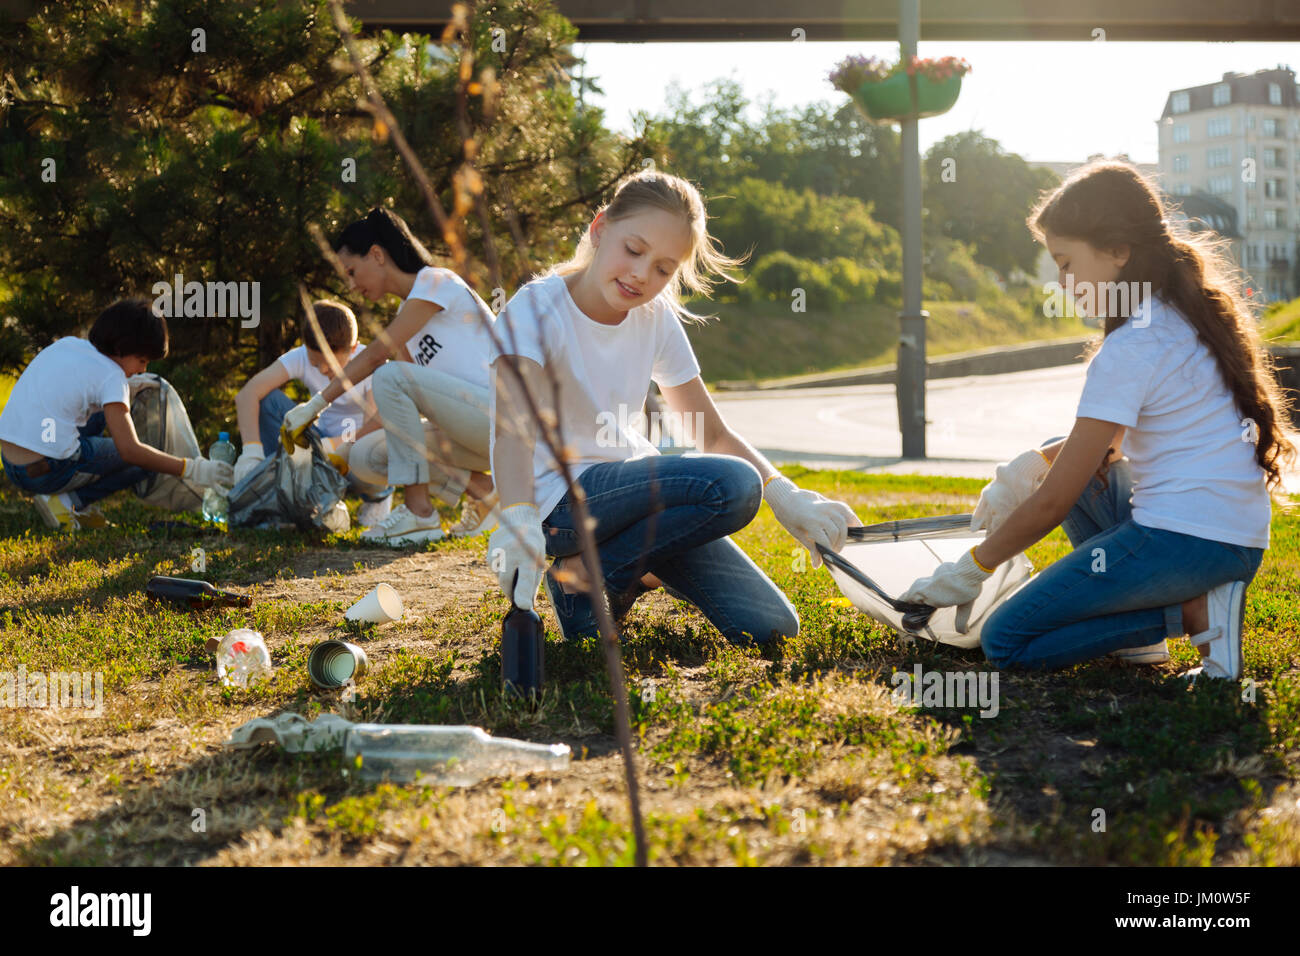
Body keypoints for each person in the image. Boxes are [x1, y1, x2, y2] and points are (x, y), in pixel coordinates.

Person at [900, 161, 1298, 681]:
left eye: (1066, 264)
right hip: (1229, 538)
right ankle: (1144, 641)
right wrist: (1022, 468)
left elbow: (1054, 500)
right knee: (1055, 453)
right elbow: (1095, 452)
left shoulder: (1133, 345)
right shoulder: (1175, 315)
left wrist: (972, 568)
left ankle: (1190, 612)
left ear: (1118, 251)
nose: (1063, 282)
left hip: (1187, 543)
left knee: (1007, 640)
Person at [486, 169, 861, 645]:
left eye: (664, 268)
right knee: (732, 484)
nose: (642, 274)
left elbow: (711, 433)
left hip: (634, 494)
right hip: (557, 505)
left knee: (773, 627)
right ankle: (591, 561)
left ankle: (585, 576)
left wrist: (789, 497)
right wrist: (518, 516)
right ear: (600, 229)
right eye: (633, 249)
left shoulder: (655, 315)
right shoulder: (536, 308)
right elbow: (513, 427)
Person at [279, 208, 499, 545]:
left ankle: (419, 514)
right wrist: (344, 449)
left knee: (389, 373)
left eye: (352, 272)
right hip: (469, 430)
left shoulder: (436, 282)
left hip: (503, 420)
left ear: (377, 255)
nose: (351, 286)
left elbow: (377, 357)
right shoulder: (406, 314)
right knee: (366, 456)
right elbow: (402, 407)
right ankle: (485, 492)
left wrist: (315, 406)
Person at [0, 297, 234, 530]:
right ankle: (66, 503)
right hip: (46, 471)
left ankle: (64, 492)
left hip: (11, 462)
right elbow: (131, 451)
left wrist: (124, 393)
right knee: (148, 457)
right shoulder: (111, 377)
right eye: (142, 360)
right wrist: (192, 468)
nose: (143, 369)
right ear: (122, 348)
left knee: (104, 414)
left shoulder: (69, 345)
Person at [232, 299, 393, 528]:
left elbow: (374, 427)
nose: (324, 372)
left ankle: (378, 498)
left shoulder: (372, 364)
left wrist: (332, 446)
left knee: (374, 449)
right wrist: (251, 451)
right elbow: (247, 394)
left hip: (356, 447)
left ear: (353, 348)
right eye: (316, 364)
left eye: (331, 365)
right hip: (320, 442)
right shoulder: (301, 356)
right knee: (268, 401)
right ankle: (278, 490)